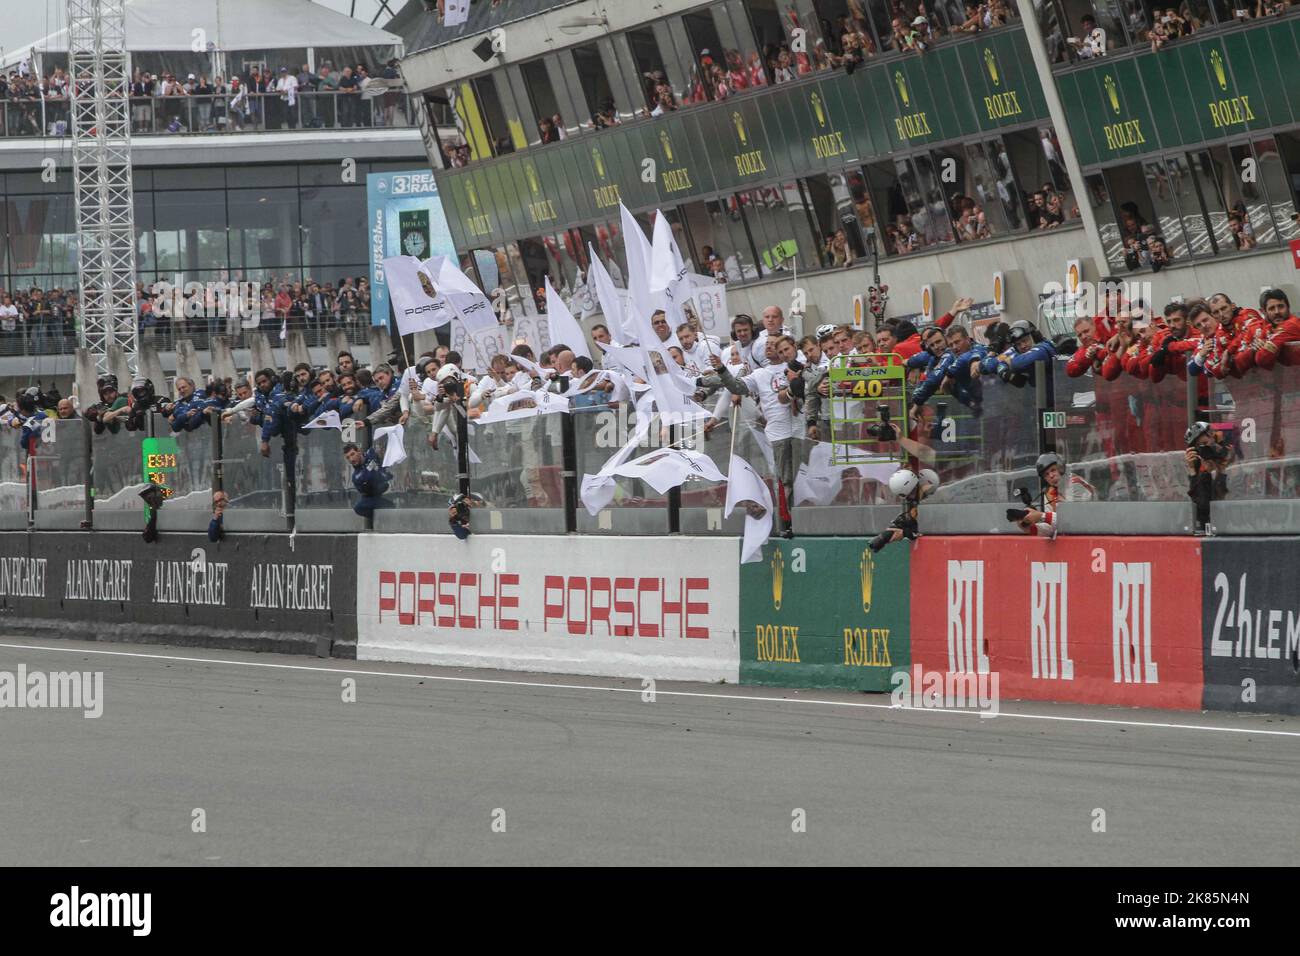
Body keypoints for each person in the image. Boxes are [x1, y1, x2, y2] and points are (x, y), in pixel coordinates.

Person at [344, 442, 394, 518]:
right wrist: (371, 460)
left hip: (390, 485)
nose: (351, 459)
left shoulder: (371, 453)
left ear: (359, 452)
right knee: (358, 508)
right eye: (348, 457)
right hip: (375, 498)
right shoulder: (356, 477)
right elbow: (369, 477)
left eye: (352, 454)